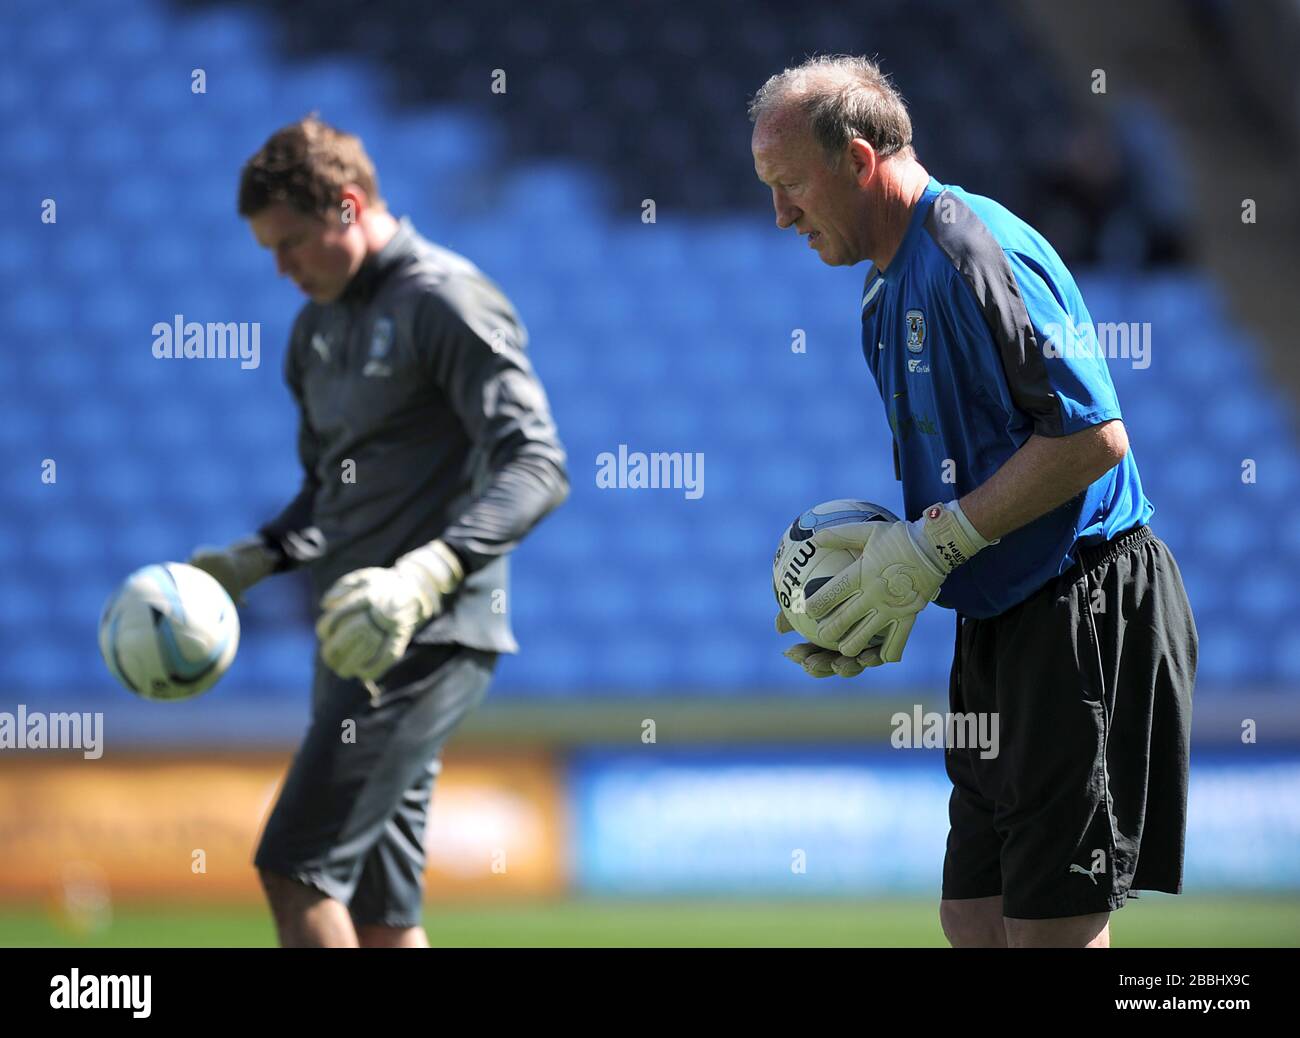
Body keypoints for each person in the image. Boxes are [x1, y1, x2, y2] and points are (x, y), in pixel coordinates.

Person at [751, 57, 1196, 948]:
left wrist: (929, 551)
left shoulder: (969, 247)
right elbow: (966, 489)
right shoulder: (881, 295)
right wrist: (890, 594)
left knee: (1050, 934)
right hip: (1000, 621)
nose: (781, 215)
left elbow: (1092, 438)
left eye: (790, 184)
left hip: (1081, 604)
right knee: (973, 919)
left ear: (860, 159)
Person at [189, 116, 569, 948]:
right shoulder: (313, 332)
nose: (282, 269)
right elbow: (328, 497)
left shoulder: (447, 299)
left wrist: (429, 571)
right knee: (379, 914)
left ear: (349, 207)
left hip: (427, 634)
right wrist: (254, 558)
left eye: (291, 244)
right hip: (352, 639)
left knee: (295, 866)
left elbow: (538, 464)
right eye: (269, 252)